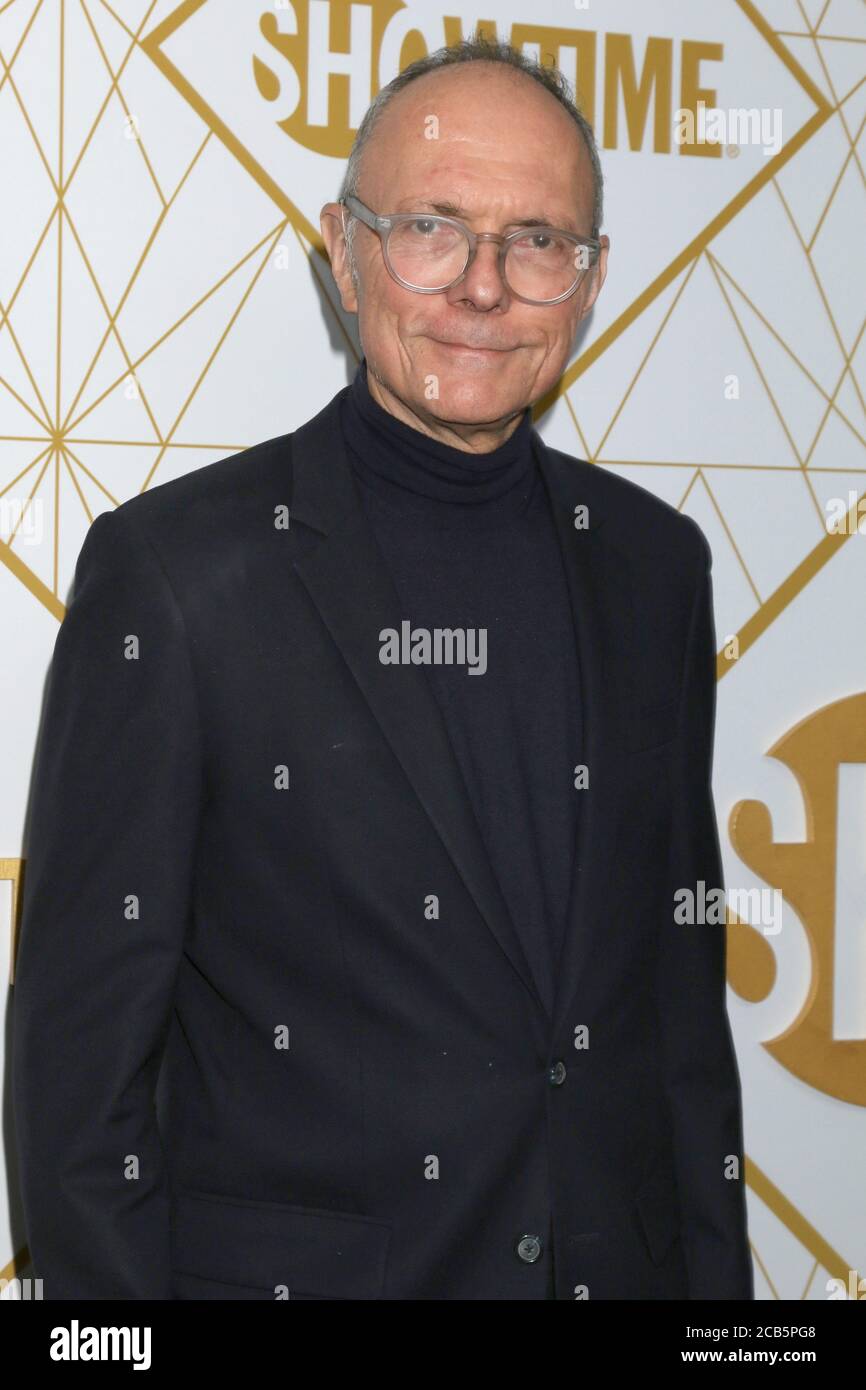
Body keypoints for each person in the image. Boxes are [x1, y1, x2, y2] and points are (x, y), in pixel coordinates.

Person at [12, 36, 752, 1300]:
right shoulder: (180, 579)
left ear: (587, 281)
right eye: (430, 227)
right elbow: (81, 1084)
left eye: (536, 241)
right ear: (343, 253)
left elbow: (678, 1022)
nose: (482, 286)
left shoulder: (652, 567)